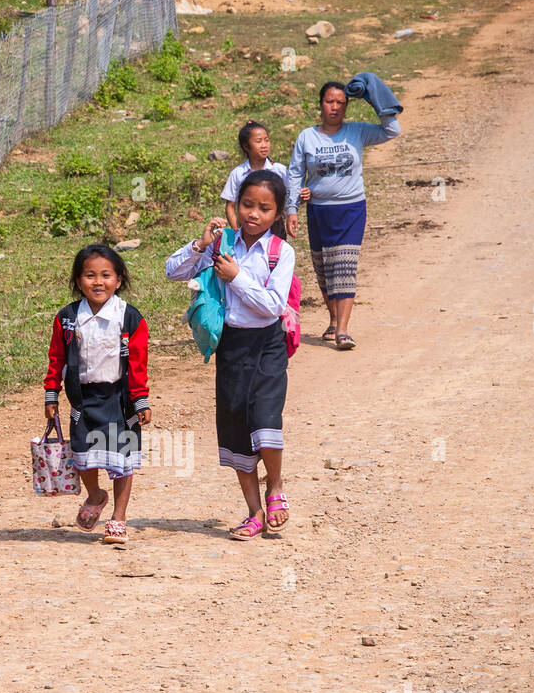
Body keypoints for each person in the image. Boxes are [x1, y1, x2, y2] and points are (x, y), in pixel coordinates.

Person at [165, 170, 294, 540]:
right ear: (235, 205)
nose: (254, 214)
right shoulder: (222, 243)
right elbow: (172, 272)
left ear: (278, 213)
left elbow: (272, 306)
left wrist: (236, 277)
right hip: (231, 347)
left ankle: (276, 485)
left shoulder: (280, 252)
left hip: (267, 346)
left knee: (265, 418)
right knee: (237, 424)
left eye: (264, 208)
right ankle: (254, 512)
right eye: (247, 205)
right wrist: (199, 246)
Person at [44, 244, 151, 546]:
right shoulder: (67, 318)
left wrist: (140, 398)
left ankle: (118, 517)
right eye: (90, 275)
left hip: (120, 400)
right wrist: (51, 394)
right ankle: (95, 494)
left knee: (122, 460)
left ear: (118, 280)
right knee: (83, 457)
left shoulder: (129, 318)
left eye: (106, 275)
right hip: (84, 401)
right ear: (78, 281)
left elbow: (138, 361)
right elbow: (57, 359)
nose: (98, 282)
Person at [285, 79, 401, 350]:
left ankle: (343, 331)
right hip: (318, 212)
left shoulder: (357, 132)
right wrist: (291, 209)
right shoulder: (307, 137)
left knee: (344, 268)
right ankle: (334, 319)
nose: (335, 107)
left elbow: (392, 129)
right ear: (320, 104)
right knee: (324, 270)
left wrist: (375, 98)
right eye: (330, 102)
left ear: (347, 106)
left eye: (341, 103)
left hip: (351, 209)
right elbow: (294, 174)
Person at [220, 121, 296, 229]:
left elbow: (291, 196)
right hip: (248, 225)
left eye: (266, 140)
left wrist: (301, 197)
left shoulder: (279, 170)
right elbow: (230, 207)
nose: (264, 145)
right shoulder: (238, 173)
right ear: (246, 146)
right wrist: (236, 231)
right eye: (258, 141)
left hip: (274, 226)